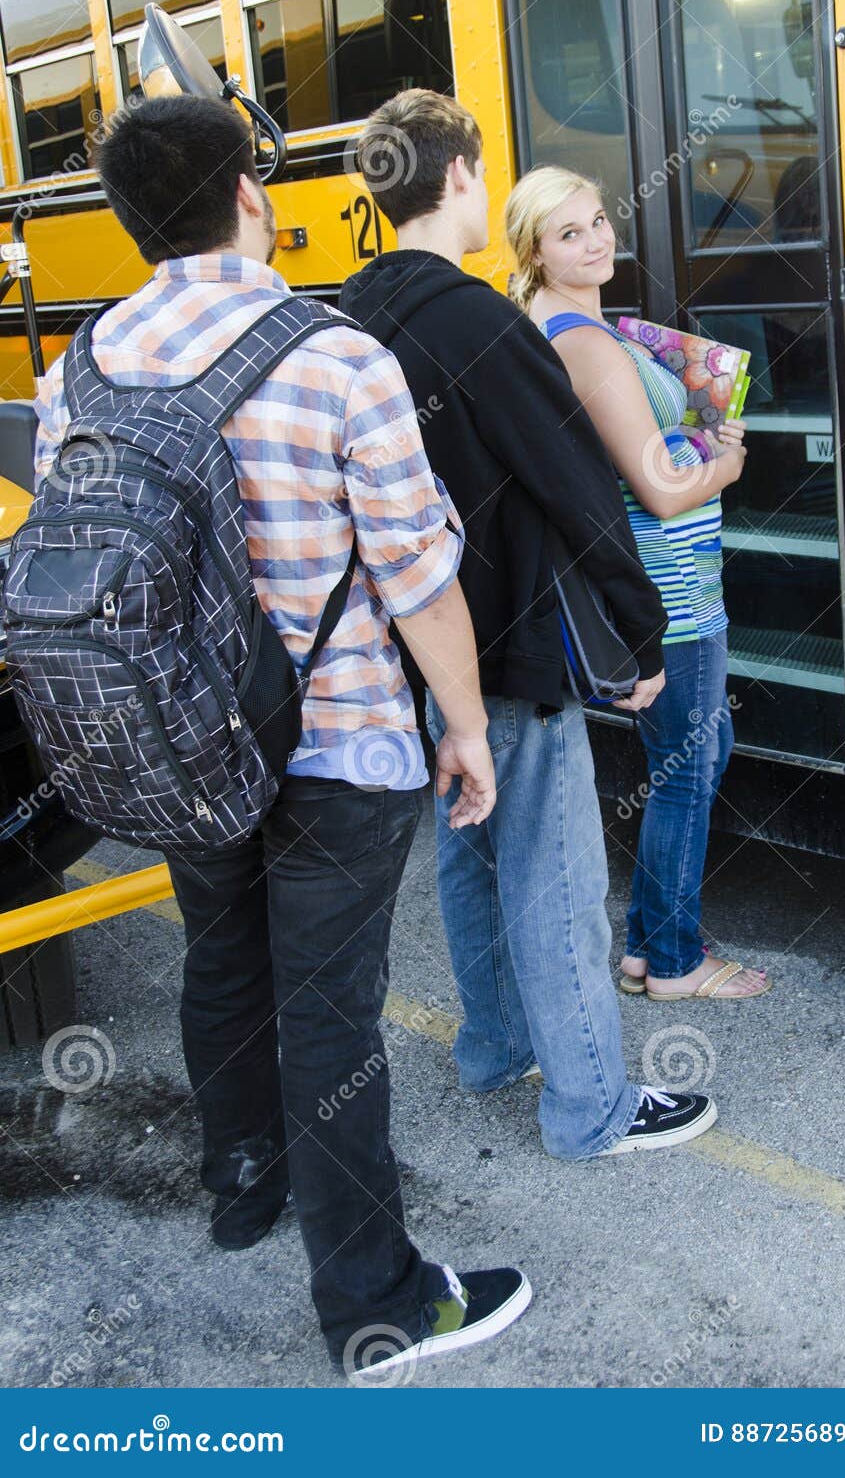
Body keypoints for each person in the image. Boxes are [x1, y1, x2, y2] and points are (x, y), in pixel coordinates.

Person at [32, 95, 530, 1379]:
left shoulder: (76, 364)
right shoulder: (336, 353)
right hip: (338, 742)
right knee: (330, 1015)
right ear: (251, 196)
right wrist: (464, 729)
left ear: (130, 222)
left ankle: (244, 1185)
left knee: (224, 963)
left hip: (180, 743)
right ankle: (376, 1304)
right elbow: (417, 576)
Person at [342, 89, 718, 1159]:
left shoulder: (350, 307)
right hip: (509, 638)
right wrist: (640, 634)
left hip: (412, 640)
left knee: (468, 845)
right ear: (460, 172)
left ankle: (494, 1048)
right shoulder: (479, 321)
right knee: (552, 868)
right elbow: (574, 490)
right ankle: (591, 1105)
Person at [506, 165, 771, 1005]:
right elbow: (653, 488)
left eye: (597, 222)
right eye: (569, 234)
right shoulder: (584, 343)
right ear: (536, 252)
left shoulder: (574, 326)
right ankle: (676, 962)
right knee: (688, 768)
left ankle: (645, 946)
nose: (595, 241)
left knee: (696, 754)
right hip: (670, 587)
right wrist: (724, 460)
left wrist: (689, 427)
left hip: (668, 579)